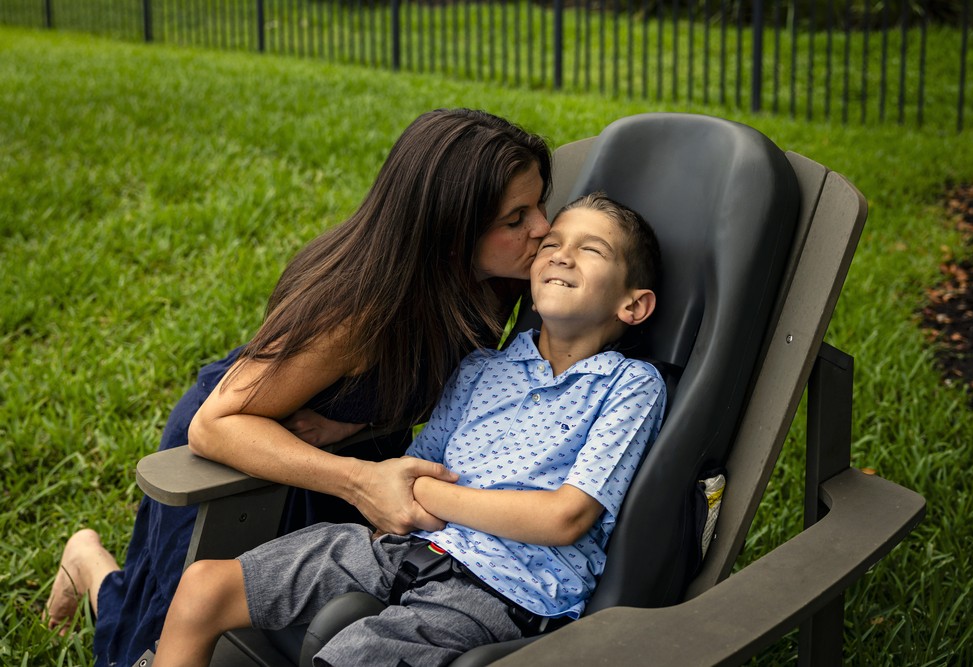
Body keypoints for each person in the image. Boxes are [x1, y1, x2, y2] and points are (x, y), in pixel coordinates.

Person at [43, 108, 553, 667]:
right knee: (164, 636)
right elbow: (214, 424)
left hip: (342, 444)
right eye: (516, 218)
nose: (543, 228)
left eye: (540, 205)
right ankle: (88, 562)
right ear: (451, 233)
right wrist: (359, 481)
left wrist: (361, 419)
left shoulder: (499, 281)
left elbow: (447, 381)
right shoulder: (359, 311)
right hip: (254, 440)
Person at [151, 192, 668, 667]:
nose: (561, 255)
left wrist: (429, 495)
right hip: (401, 548)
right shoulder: (481, 369)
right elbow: (409, 472)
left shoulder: (629, 385)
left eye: (591, 249)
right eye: (552, 244)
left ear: (634, 305)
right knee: (205, 587)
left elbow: (564, 517)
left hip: (503, 586)